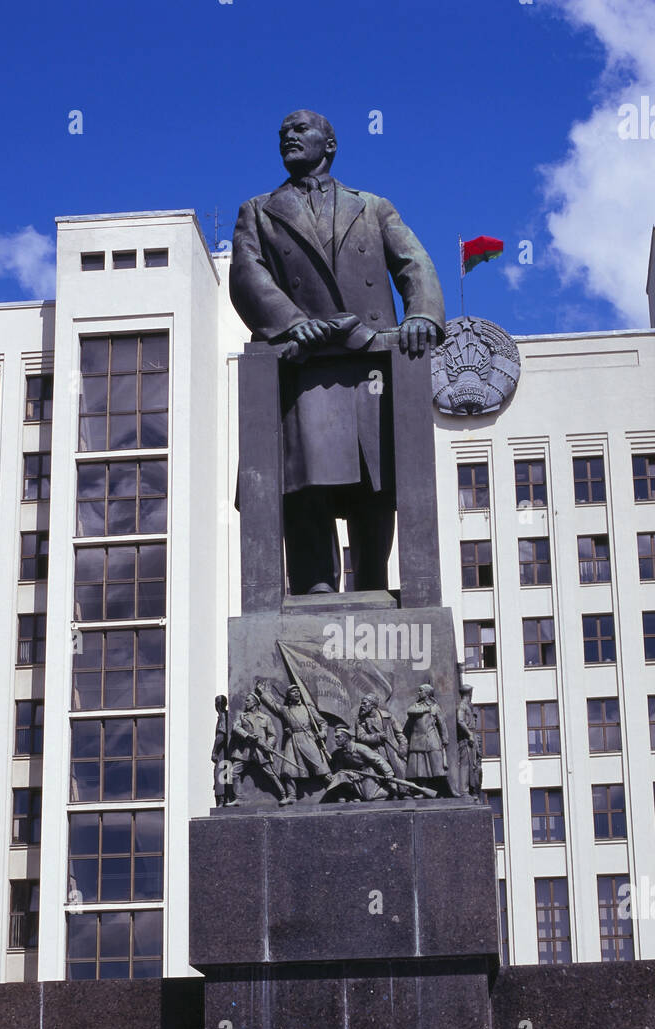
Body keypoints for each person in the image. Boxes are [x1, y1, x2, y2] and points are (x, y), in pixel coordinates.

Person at [230, 109, 445, 595]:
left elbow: (414, 263)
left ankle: (373, 582)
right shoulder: (259, 210)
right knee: (306, 477)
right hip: (307, 367)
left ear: (330, 144)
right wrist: (294, 324)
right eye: (282, 131)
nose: (287, 135)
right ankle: (315, 588)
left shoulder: (372, 207)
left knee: (376, 481)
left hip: (371, 363)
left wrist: (422, 316)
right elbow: (247, 275)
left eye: (300, 129)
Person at [255, 678, 330, 802]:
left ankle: (339, 791)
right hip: (293, 740)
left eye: (297, 691)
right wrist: (263, 693)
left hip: (308, 739)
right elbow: (274, 705)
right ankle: (292, 796)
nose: (296, 693)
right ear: (289, 696)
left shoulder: (308, 709)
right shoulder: (286, 710)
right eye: (293, 692)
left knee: (321, 768)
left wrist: (323, 732)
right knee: (288, 769)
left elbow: (322, 722)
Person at [228, 690, 286, 804]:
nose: (246, 702)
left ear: (255, 702)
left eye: (248, 700)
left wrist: (268, 745)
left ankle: (284, 795)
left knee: (271, 774)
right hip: (245, 751)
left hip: (260, 751)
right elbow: (235, 728)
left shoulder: (265, 718)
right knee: (234, 772)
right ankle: (238, 799)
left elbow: (273, 735)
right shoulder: (242, 716)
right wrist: (247, 736)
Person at [403, 683, 455, 795]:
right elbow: (410, 711)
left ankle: (445, 790)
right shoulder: (416, 706)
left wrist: (445, 739)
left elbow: (442, 724)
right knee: (420, 768)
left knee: (438, 766)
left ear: (427, 693)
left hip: (432, 739)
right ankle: (423, 790)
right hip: (417, 740)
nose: (418, 693)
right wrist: (426, 709)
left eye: (420, 691)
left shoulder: (435, 707)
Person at [354, 691, 407, 777]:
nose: (362, 706)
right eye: (361, 703)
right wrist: (377, 736)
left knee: (400, 776)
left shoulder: (388, 717)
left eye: (364, 703)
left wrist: (403, 748)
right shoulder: (360, 721)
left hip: (393, 753)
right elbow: (361, 737)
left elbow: (400, 734)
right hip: (375, 755)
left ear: (372, 705)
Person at [457, 686, 483, 800]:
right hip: (466, 740)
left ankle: (470, 790)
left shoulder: (467, 706)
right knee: (465, 765)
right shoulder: (462, 705)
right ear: (469, 694)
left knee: (472, 766)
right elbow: (460, 720)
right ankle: (464, 791)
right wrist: (469, 734)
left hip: (471, 739)